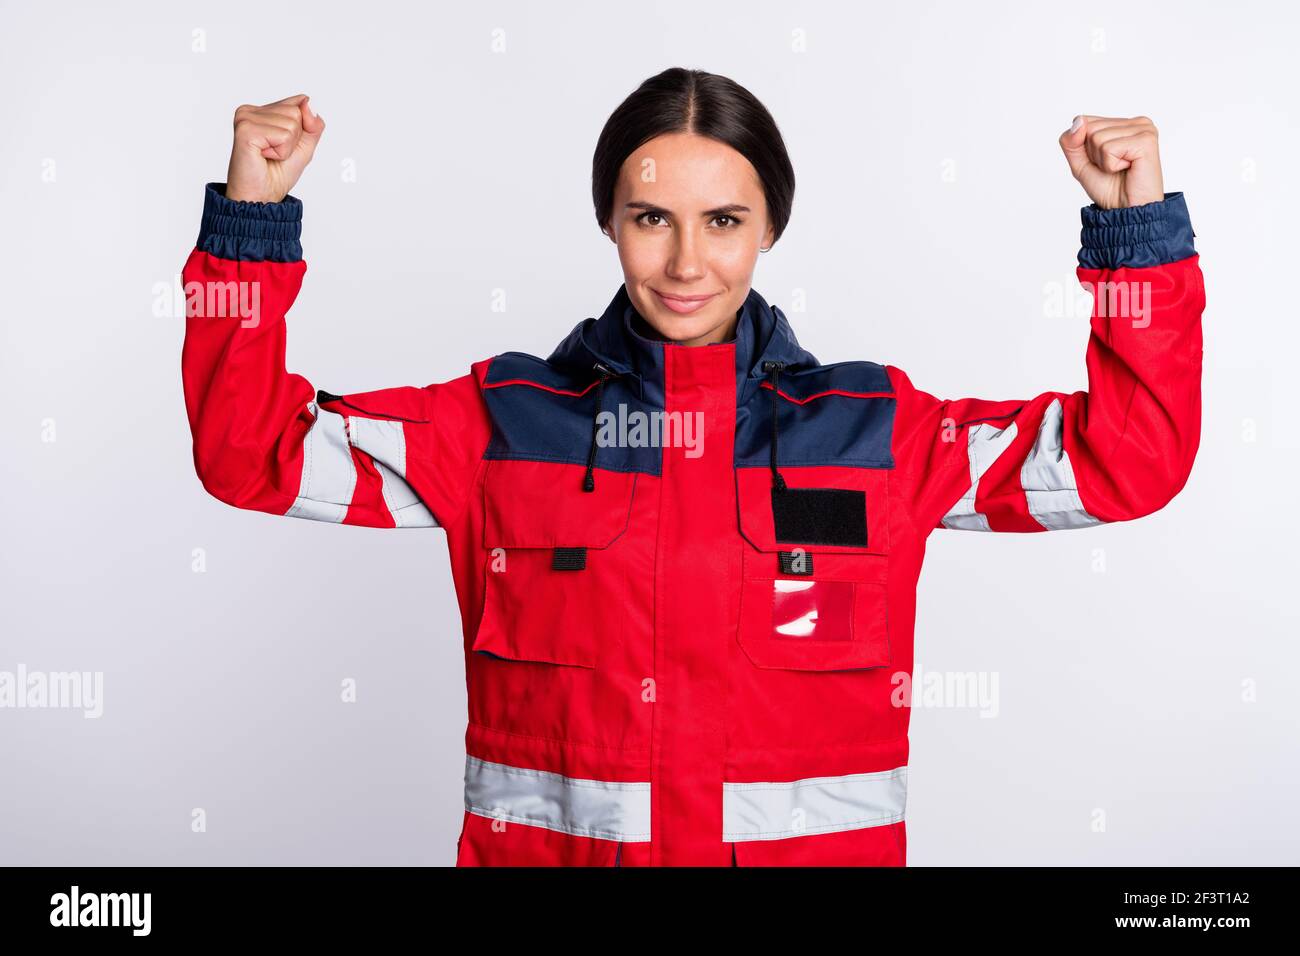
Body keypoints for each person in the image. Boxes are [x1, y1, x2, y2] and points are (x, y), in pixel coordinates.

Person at [180, 68, 1203, 867]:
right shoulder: (500, 423)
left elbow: (1129, 461)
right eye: (649, 218)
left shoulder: (875, 431)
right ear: (610, 222)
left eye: (724, 221)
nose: (684, 264)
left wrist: (1135, 238)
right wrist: (249, 219)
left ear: (768, 229)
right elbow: (247, 450)